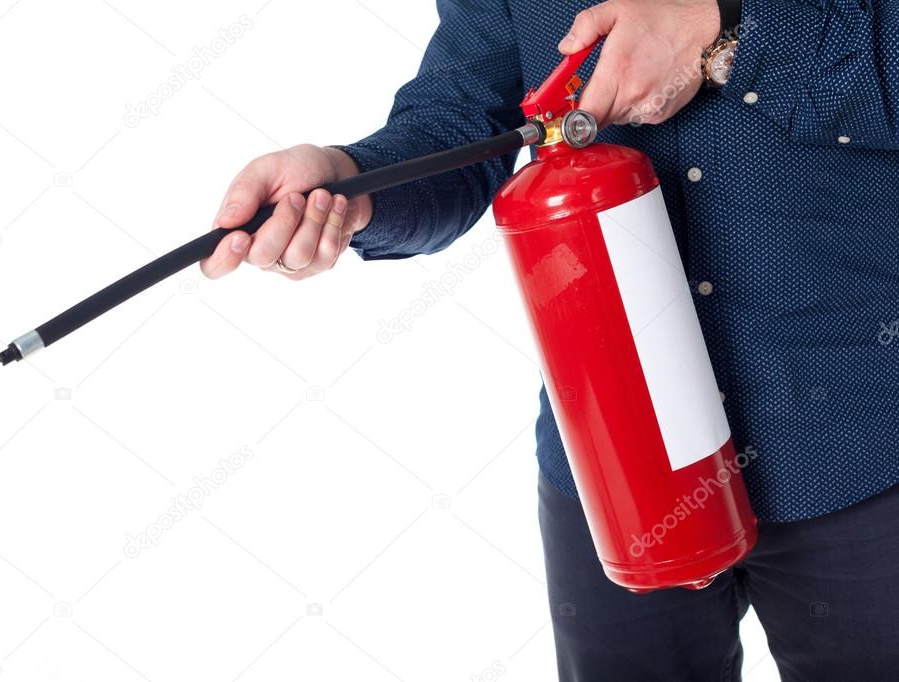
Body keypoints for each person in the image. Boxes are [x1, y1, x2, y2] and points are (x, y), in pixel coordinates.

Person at [201, 1, 899, 679]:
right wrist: (351, 184)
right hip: (609, 474)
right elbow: (461, 121)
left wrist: (722, 30)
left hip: (862, 447)